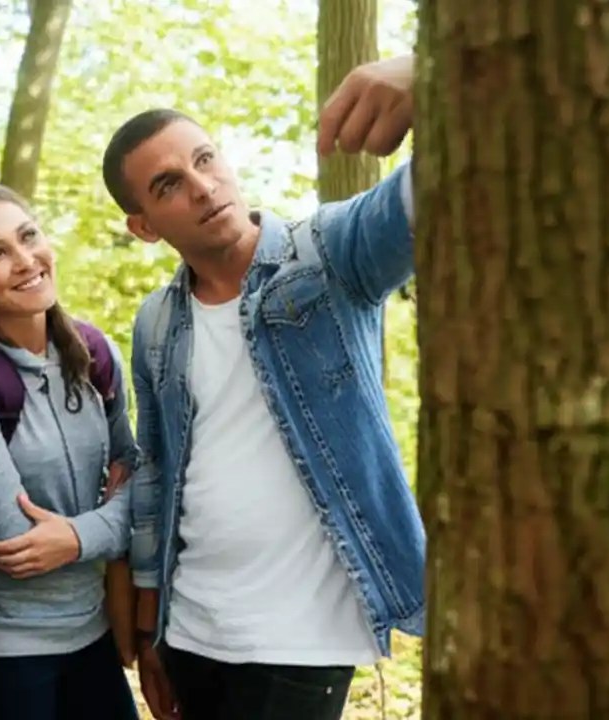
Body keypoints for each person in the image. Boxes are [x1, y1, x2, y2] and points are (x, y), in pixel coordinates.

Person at [106, 55, 422, 720]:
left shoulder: (329, 252)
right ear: (144, 226)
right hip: (192, 627)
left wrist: (435, 73)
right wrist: (151, 625)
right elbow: (158, 473)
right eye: (168, 185)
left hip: (301, 636)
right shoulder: (157, 320)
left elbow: (435, 193)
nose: (201, 186)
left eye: (205, 159)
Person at [0, 184, 139, 720]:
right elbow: (15, 543)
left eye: (28, 237)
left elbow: (141, 478)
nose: (25, 261)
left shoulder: (95, 353)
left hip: (95, 636)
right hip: (9, 655)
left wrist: (75, 535)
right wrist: (111, 520)